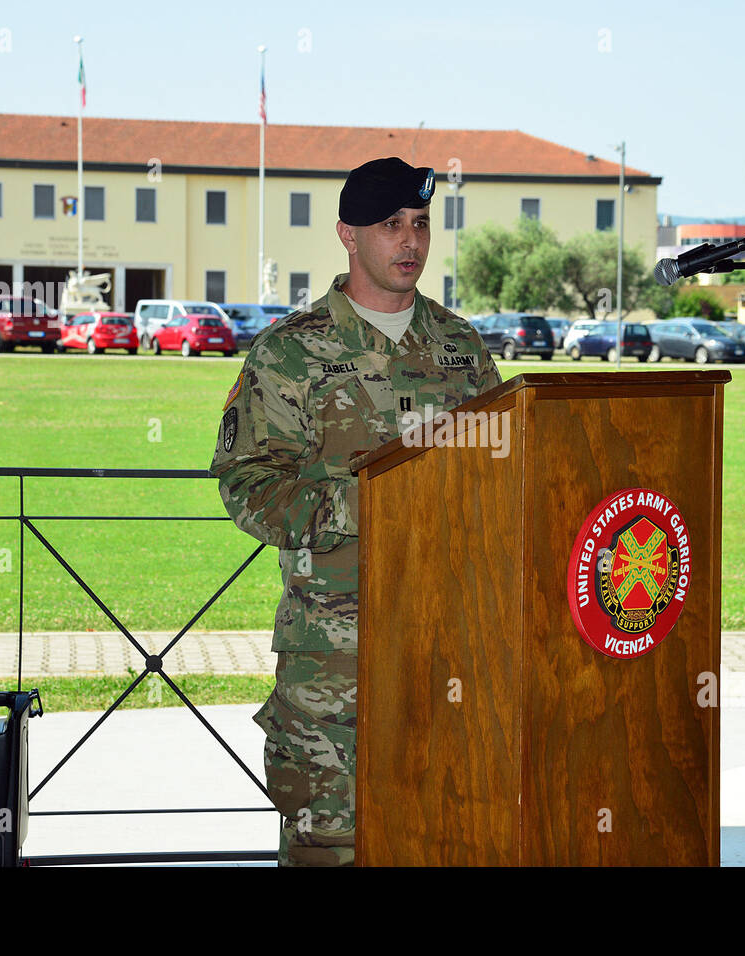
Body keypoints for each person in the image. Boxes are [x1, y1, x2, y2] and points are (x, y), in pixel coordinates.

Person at [210, 157, 502, 866]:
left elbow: (504, 472)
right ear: (348, 234)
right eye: (390, 225)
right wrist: (368, 504)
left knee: (447, 840)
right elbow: (247, 482)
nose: (410, 241)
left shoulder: (462, 350)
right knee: (329, 849)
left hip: (449, 652)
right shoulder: (291, 351)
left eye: (421, 224)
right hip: (333, 658)